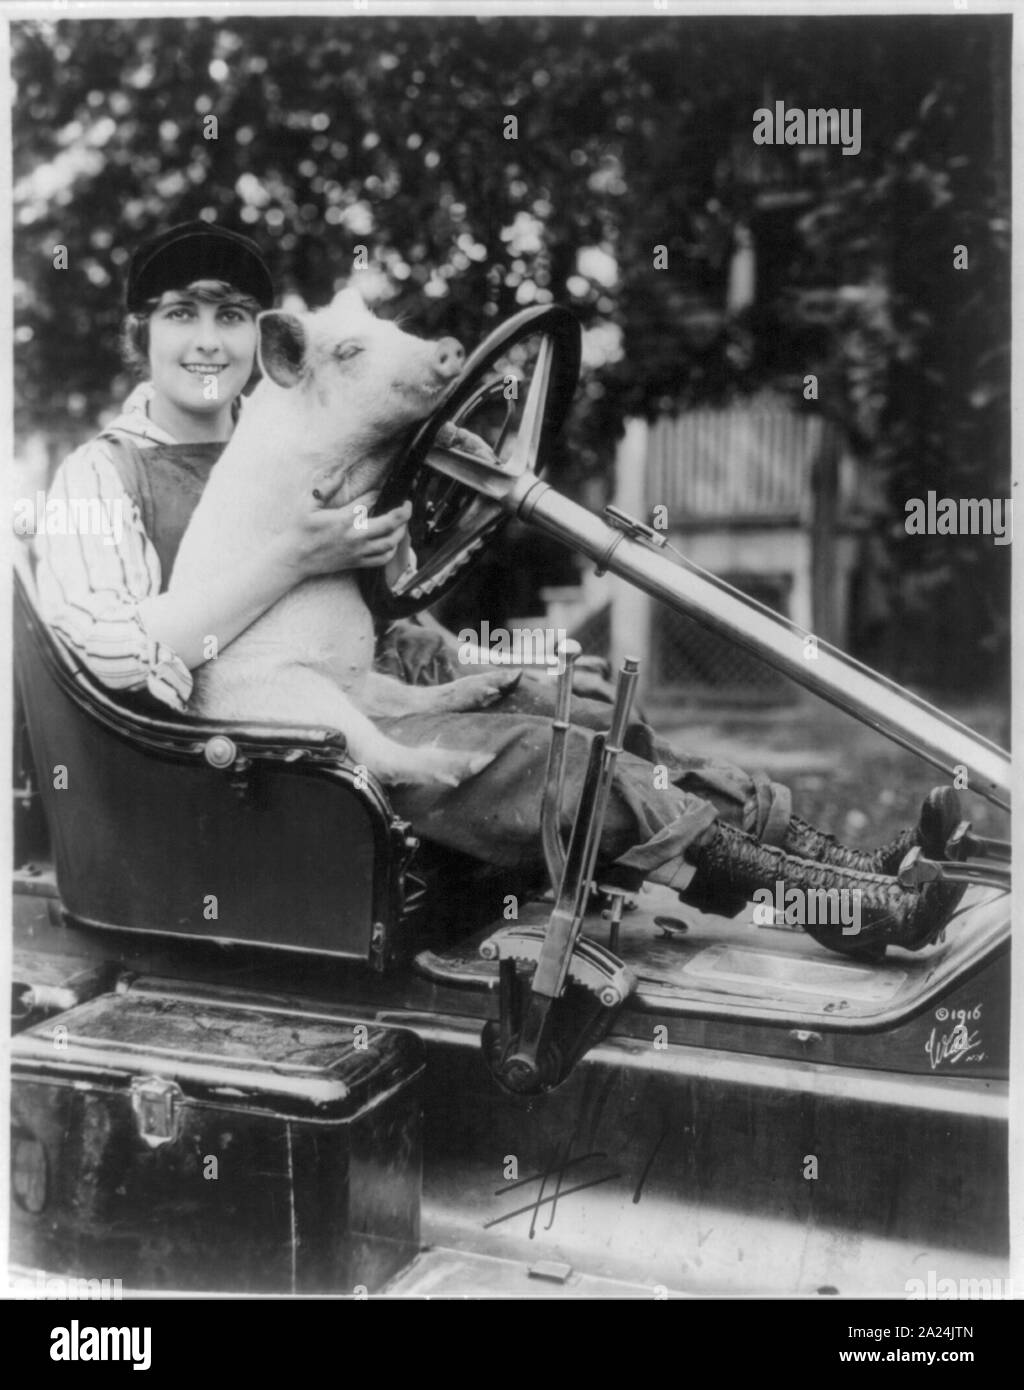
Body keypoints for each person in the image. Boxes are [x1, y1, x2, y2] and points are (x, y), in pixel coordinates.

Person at [32, 220, 966, 960]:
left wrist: (446, 638)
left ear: (263, 338)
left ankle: (840, 861)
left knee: (582, 707)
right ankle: (842, 909)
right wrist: (293, 559)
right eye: (180, 315)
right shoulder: (101, 478)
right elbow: (115, 662)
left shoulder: (292, 430)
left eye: (231, 315)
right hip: (250, 771)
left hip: (351, 691)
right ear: (139, 334)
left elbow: (374, 605)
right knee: (556, 765)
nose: (208, 340)